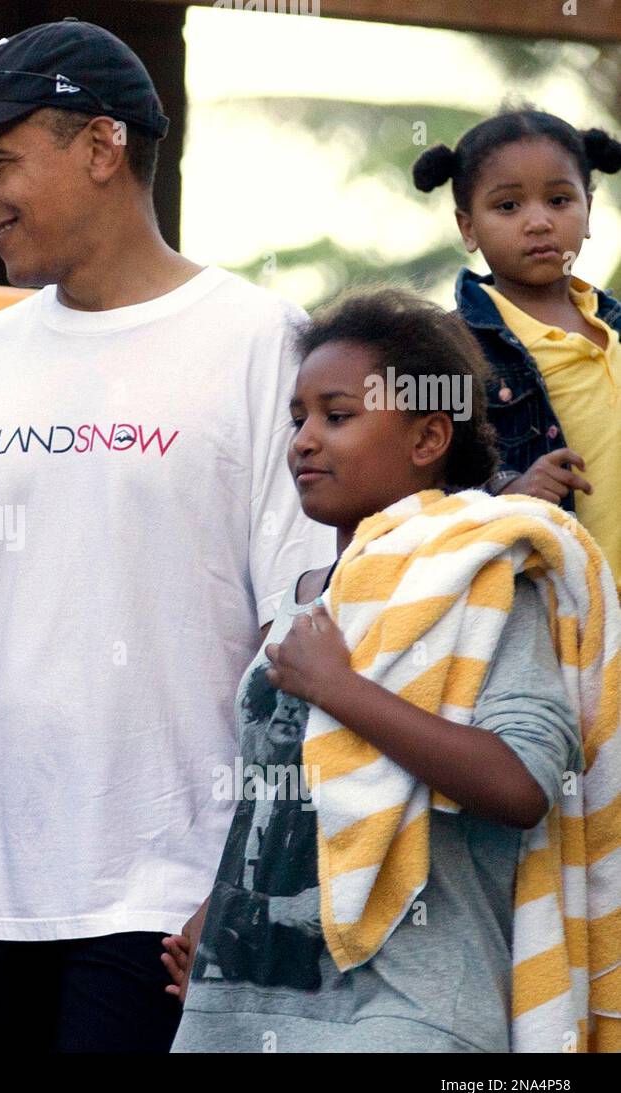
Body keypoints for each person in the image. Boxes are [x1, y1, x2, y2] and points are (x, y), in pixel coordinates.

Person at [0, 19, 333, 1052]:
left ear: (100, 148)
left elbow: (302, 647)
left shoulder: (263, 343)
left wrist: (239, 888)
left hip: (170, 904)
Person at [168, 288, 617, 1052]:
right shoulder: (300, 600)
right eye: (297, 418)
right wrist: (226, 909)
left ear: (427, 437)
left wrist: (339, 687)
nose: (304, 440)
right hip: (243, 1018)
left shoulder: (480, 579)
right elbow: (281, 793)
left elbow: (520, 784)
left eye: (336, 416)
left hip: (402, 1021)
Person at [413, 108, 621, 585]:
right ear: (468, 228)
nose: (539, 222)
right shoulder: (448, 348)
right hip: (542, 606)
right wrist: (506, 493)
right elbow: (417, 477)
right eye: (508, 206)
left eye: (559, 200)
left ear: (588, 209)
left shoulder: (615, 327)